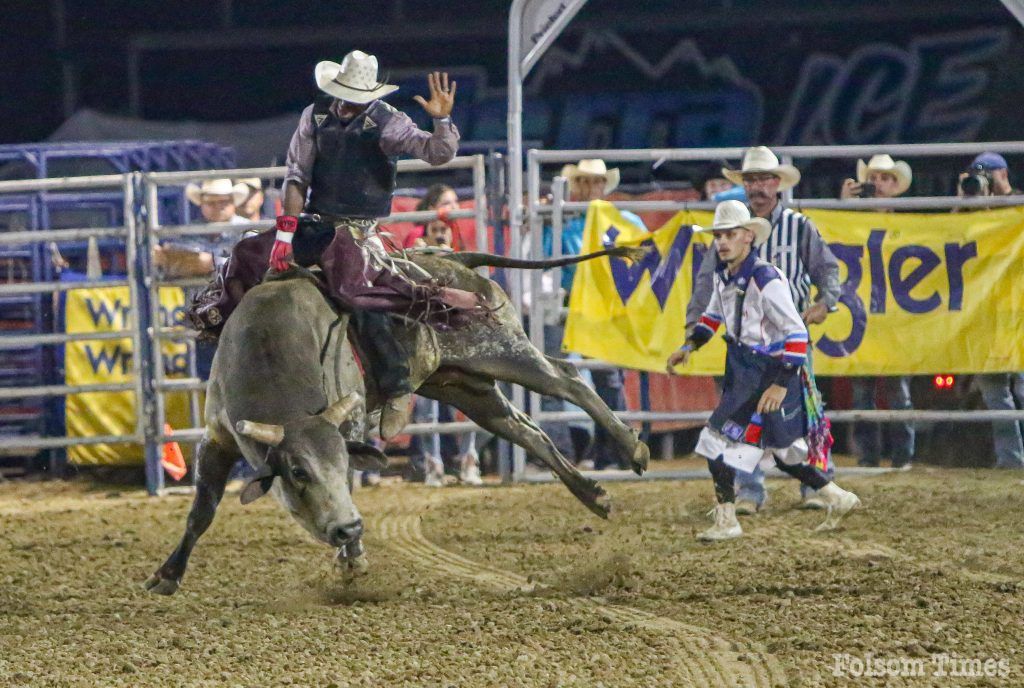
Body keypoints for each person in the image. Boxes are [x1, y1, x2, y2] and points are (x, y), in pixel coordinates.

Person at [190, 50, 485, 440]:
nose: (349, 101)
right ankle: (227, 341)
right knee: (246, 256)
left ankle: (396, 384)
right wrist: (283, 233)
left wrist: (442, 119)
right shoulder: (316, 116)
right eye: (345, 92)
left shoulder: (388, 122)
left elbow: (438, 153)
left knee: (358, 292)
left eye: (356, 94)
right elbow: (297, 177)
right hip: (316, 225)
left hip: (360, 231)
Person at [668, 201, 860, 540]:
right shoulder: (723, 277)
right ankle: (837, 496)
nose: (723, 242)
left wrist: (780, 384)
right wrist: (690, 346)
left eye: (730, 235)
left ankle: (727, 521)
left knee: (716, 439)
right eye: (719, 236)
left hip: (766, 371)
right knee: (783, 451)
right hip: (747, 370)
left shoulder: (765, 278)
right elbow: (713, 317)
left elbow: (797, 333)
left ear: (748, 237)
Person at [687, 146, 841, 513]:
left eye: (763, 179)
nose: (757, 187)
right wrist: (696, 327)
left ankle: (817, 485)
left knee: (801, 410)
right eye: (751, 180)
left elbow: (826, 270)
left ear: (777, 184)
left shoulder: (799, 227)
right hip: (746, 343)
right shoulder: (730, 232)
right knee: (748, 414)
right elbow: (708, 281)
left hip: (787, 337)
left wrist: (825, 302)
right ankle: (752, 489)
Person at [550, 159, 646, 470]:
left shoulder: (620, 219)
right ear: (575, 186)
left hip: (606, 306)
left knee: (607, 379)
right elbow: (551, 255)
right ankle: (606, 449)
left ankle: (611, 449)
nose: (590, 188)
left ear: (604, 186)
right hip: (573, 304)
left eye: (595, 182)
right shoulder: (566, 221)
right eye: (584, 182)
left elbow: (647, 254)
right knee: (578, 378)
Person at [840, 155, 916, 468]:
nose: (878, 185)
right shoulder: (850, 220)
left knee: (898, 391)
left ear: (896, 186)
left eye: (885, 178)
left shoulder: (911, 222)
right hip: (863, 316)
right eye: (873, 178)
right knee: (862, 392)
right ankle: (869, 455)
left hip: (896, 316)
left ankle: (902, 456)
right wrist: (843, 205)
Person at [406, 184, 483, 485]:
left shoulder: (456, 247)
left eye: (455, 204)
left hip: (452, 335)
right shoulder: (416, 242)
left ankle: (466, 461)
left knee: (468, 398)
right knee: (429, 404)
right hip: (427, 332)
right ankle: (434, 465)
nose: (453, 209)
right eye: (446, 203)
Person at [959, 152, 1024, 469]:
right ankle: (1010, 460)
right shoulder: (966, 210)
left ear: (1004, 174)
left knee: (1022, 390)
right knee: (996, 392)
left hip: (1018, 308)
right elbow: (950, 239)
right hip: (985, 311)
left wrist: (996, 199)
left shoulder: (1019, 205)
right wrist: (966, 201)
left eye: (988, 174)